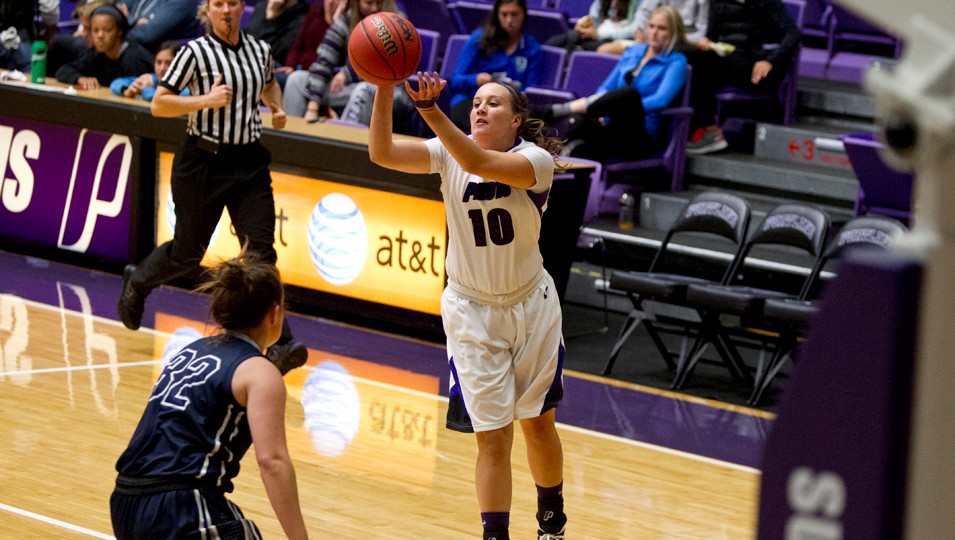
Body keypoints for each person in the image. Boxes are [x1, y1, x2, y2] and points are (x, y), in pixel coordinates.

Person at [369, 74, 569, 540]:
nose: (480, 109)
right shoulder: (446, 152)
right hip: (471, 311)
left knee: (538, 425)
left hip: (531, 306)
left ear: (516, 118)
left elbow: (477, 159)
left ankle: (552, 525)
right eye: (476, 102)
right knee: (493, 436)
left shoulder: (535, 161)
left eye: (493, 104)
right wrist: (383, 85)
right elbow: (381, 153)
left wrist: (429, 109)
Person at [117, 0, 308, 375]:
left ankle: (281, 344)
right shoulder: (194, 53)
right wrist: (206, 100)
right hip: (202, 162)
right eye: (218, 4)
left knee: (261, 254)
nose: (225, 10)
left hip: (248, 163)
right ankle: (137, 280)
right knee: (189, 253)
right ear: (208, 9)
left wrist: (277, 107)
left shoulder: (259, 50)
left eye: (232, 4)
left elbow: (268, 86)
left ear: (241, 9)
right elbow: (160, 104)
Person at [110, 250, 309, 540]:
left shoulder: (189, 351)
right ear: (275, 313)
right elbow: (272, 462)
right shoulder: (259, 372)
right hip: (179, 507)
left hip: (125, 500)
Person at [536, 5, 688, 162]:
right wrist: (605, 110)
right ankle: (570, 174)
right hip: (612, 125)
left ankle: (556, 110)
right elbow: (606, 87)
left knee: (629, 94)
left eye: (662, 28)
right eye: (652, 26)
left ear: (673, 33)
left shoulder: (676, 61)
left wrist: (618, 108)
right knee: (575, 121)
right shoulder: (634, 51)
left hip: (640, 134)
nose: (655, 32)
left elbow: (660, 100)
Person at [684, 0, 800, 154]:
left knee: (699, 64)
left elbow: (793, 34)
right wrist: (707, 43)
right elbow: (712, 35)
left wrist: (770, 61)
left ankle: (709, 132)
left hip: (752, 64)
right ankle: (699, 128)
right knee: (686, 57)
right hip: (725, 61)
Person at [281, 0, 414, 131]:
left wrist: (347, 74)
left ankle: (342, 148)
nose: (374, 8)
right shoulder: (346, 20)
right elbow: (324, 60)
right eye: (369, 3)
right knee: (296, 80)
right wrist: (313, 106)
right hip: (352, 87)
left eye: (379, 3)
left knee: (363, 91)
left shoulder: (397, 22)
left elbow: (385, 66)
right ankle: (291, 140)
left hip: (393, 91)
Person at [448, 0, 544, 132]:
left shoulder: (533, 49)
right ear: (497, 15)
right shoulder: (478, 39)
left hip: (508, 107)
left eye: (514, 14)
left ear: (524, 14)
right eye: (504, 14)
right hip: (470, 100)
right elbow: (456, 81)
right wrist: (476, 79)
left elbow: (530, 91)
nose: (509, 20)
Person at [55, 4, 154, 90]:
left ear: (120, 30)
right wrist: (80, 79)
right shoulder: (96, 54)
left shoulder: (135, 58)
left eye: (107, 30)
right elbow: (63, 71)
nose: (100, 36)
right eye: (96, 30)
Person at [597, 0, 708, 54]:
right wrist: (640, 32)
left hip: (682, 42)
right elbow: (643, 14)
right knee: (604, 49)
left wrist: (675, 38)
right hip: (655, 39)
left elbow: (702, 33)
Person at [545, 0, 639, 53]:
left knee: (599, 49)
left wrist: (599, 34)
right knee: (560, 42)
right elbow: (593, 18)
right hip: (597, 36)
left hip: (621, 40)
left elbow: (636, 31)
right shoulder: (601, 2)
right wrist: (585, 27)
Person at [110, 40, 190, 99]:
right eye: (158, 63)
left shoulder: (186, 87)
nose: (162, 68)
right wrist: (127, 90)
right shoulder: (153, 79)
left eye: (168, 63)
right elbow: (115, 84)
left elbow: (163, 99)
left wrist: (145, 89)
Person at [242, 0, 308, 68]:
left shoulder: (302, 20)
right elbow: (248, 37)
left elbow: (274, 53)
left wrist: (270, 20)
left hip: (272, 66)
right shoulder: (262, 7)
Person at [116, 0, 202, 51]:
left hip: (159, 57)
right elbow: (115, 11)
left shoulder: (182, 2)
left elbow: (148, 35)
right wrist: (133, 21)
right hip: (131, 46)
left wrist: (124, 22)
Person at [0, 0, 59, 71]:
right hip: (22, 37)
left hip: (20, 36)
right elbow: (49, 8)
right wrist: (49, 30)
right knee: (30, 79)